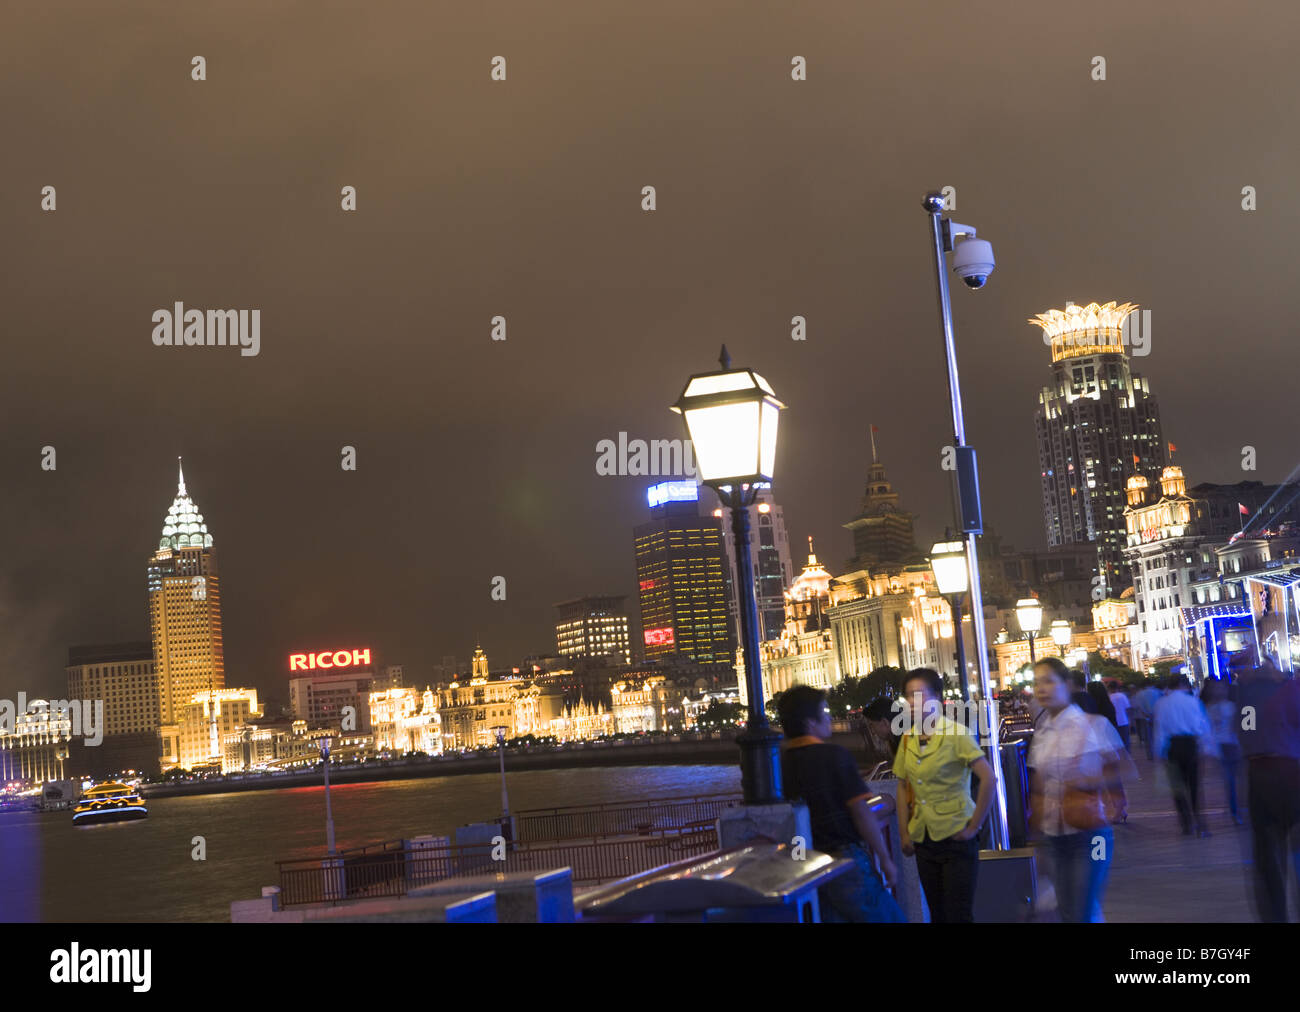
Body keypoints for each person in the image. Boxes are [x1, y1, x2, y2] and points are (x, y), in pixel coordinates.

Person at [778, 685, 905, 923]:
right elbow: (861, 812)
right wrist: (885, 859)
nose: (828, 717)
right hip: (844, 861)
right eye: (823, 712)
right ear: (809, 722)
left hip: (804, 865)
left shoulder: (781, 764)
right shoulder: (834, 755)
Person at [1027, 657, 1129, 922]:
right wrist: (1034, 827)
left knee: (1081, 909)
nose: (1041, 689)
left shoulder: (1093, 725)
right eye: (1037, 682)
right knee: (1069, 910)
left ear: (1067, 685)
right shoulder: (1041, 733)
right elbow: (1039, 783)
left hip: (1092, 835)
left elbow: (1125, 769)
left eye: (1049, 681)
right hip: (1053, 836)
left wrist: (1085, 783)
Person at [892, 668, 995, 923]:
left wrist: (974, 826)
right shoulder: (908, 739)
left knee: (958, 914)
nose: (913, 703)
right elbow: (903, 786)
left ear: (937, 697)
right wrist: (905, 832)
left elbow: (989, 778)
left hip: (957, 835)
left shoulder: (955, 733)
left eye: (920, 695)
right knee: (937, 914)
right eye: (908, 696)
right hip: (924, 838)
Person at [1236, 657, 1300, 921]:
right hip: (1292, 772)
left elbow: (1244, 733)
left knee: (1267, 856)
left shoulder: (1245, 698)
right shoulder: (1292, 690)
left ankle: (1275, 915)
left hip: (1260, 773)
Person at [1153, 675, 1214, 837]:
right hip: (1191, 745)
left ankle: (1186, 824)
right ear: (1182, 684)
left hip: (1172, 746)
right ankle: (1200, 824)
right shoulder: (1193, 701)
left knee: (1177, 788)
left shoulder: (1161, 703)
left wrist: (1159, 753)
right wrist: (1207, 748)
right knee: (1194, 786)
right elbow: (1203, 725)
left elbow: (1159, 731)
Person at [1133, 681, 1164, 760]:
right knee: (1158, 734)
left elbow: (1138, 706)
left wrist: (1145, 713)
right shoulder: (1157, 692)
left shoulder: (1139, 694)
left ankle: (1150, 755)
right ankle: (1160, 753)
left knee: (1148, 737)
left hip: (1145, 717)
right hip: (1157, 715)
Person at [1108, 681, 1132, 752]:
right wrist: (1130, 720)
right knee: (1126, 741)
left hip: (1113, 722)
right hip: (1124, 721)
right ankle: (1128, 757)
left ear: (1109, 688)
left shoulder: (1108, 697)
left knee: (1116, 742)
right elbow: (1128, 708)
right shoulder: (1122, 696)